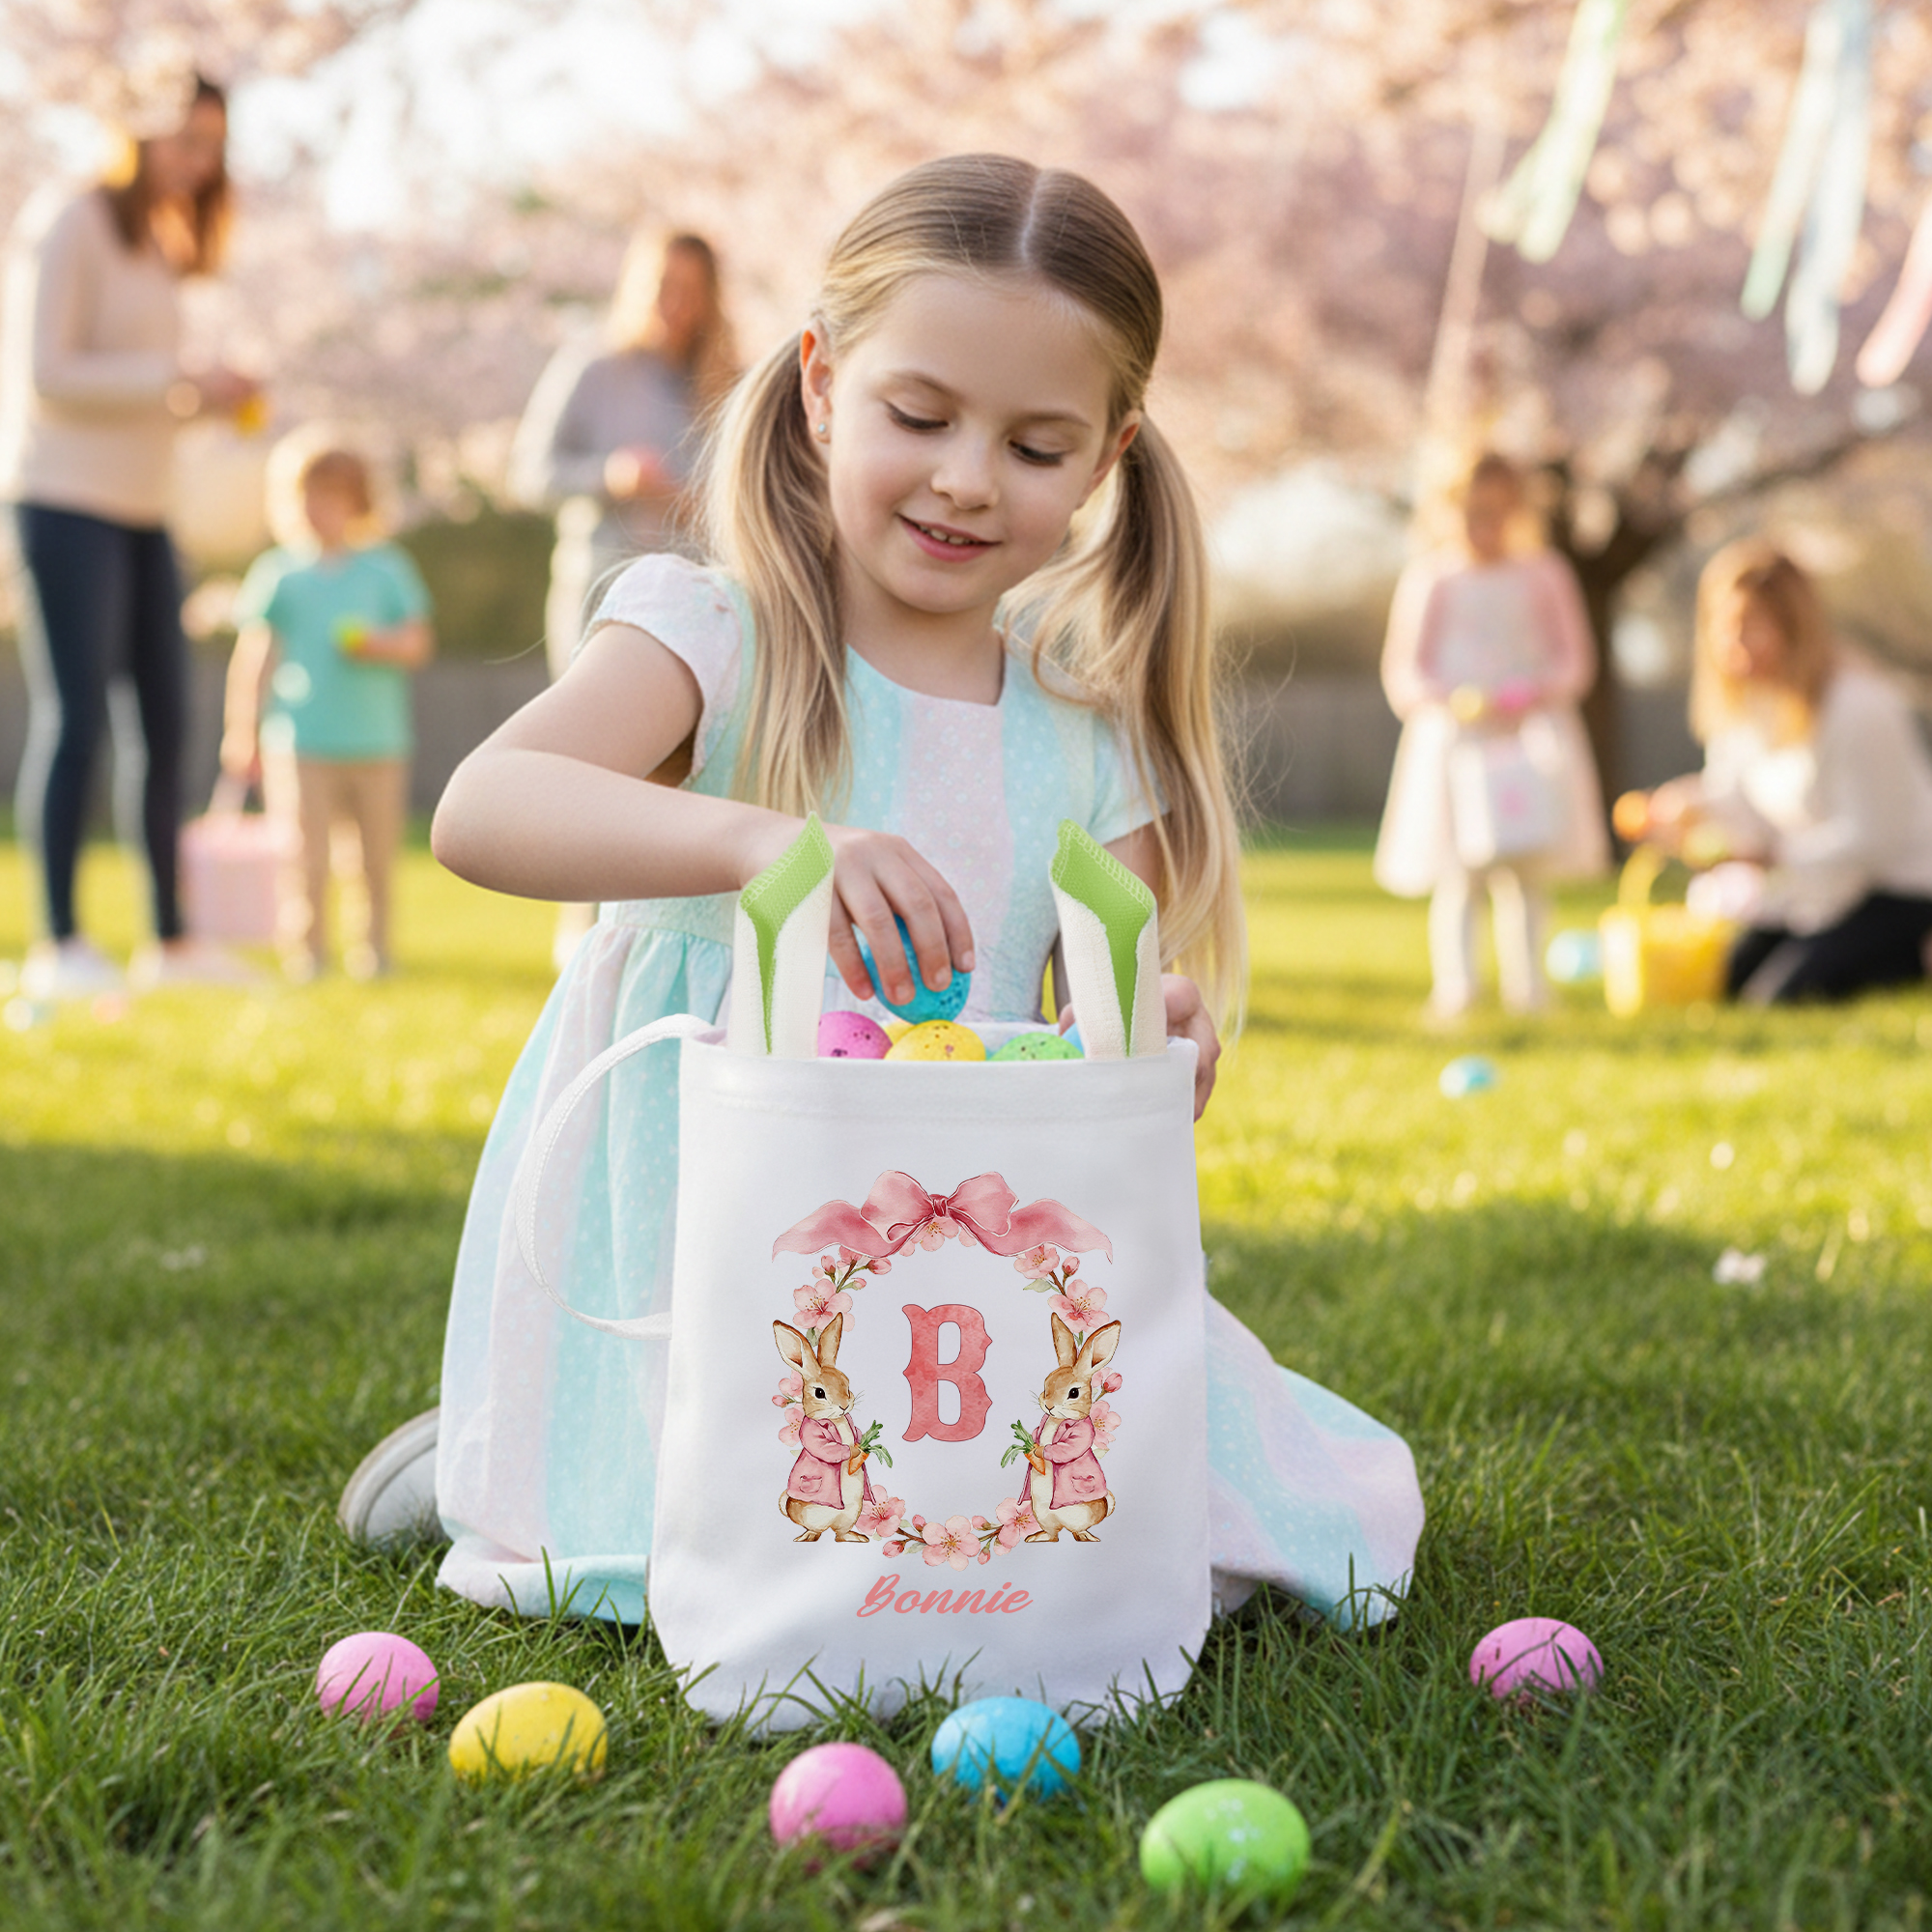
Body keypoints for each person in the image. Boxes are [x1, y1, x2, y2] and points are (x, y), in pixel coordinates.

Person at [338, 155, 1424, 1633]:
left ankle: (504, 1440)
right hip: (701, 1233)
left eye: (1037, 447)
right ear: (821, 385)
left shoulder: (1084, 738)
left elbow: (1092, 1023)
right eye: (921, 417)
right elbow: (481, 810)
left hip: (944, 1267)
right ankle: (512, 1436)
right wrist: (765, 850)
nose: (969, 478)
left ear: (1106, 462)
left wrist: (1154, 1030)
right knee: (674, 1542)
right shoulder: (707, 634)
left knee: (1220, 1534)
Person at [1, 67, 261, 998]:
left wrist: (201, 395)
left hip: (147, 513)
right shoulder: (71, 220)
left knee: (167, 722)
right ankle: (60, 943)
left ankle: (170, 940)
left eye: (211, 147)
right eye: (185, 140)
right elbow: (49, 376)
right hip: (64, 503)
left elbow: (145, 388)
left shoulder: (161, 242)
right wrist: (172, 377)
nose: (198, 162)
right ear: (140, 132)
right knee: (78, 721)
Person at [509, 231, 739, 966]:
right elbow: (530, 473)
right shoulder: (594, 367)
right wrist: (610, 476)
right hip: (604, 587)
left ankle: (654, 933)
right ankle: (581, 939)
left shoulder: (723, 380)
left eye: (691, 289)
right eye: (664, 285)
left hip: (703, 600)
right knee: (594, 759)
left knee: (684, 764)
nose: (676, 304)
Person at [1623, 540, 1932, 1004]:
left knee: (1780, 997)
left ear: (1793, 628)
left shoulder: (1859, 709)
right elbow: (1738, 797)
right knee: (1726, 982)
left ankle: (1911, 960)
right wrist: (1687, 810)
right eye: (1724, 627)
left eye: (1750, 627)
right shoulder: (1749, 708)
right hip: (1818, 891)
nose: (1733, 644)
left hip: (1896, 892)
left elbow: (1874, 838)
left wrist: (1774, 859)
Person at [1374, 452, 1608, 1019]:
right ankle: (1458, 987)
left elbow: (1576, 661)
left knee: (1525, 870)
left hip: (1531, 740)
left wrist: (1530, 693)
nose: (1488, 526)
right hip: (1457, 745)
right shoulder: (1431, 577)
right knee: (1461, 872)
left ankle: (1531, 989)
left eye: (1501, 512)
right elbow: (1404, 670)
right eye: (1475, 512)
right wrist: (1453, 699)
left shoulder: (1545, 574)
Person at [220, 433, 434, 980]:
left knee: (373, 860)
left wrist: (374, 643)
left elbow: (416, 642)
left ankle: (374, 955)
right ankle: (307, 956)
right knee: (304, 859)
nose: (320, 511)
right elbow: (256, 659)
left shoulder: (386, 569)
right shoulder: (278, 573)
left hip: (377, 741)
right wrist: (241, 731)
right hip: (301, 740)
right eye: (309, 498)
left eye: (333, 497)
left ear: (359, 502)